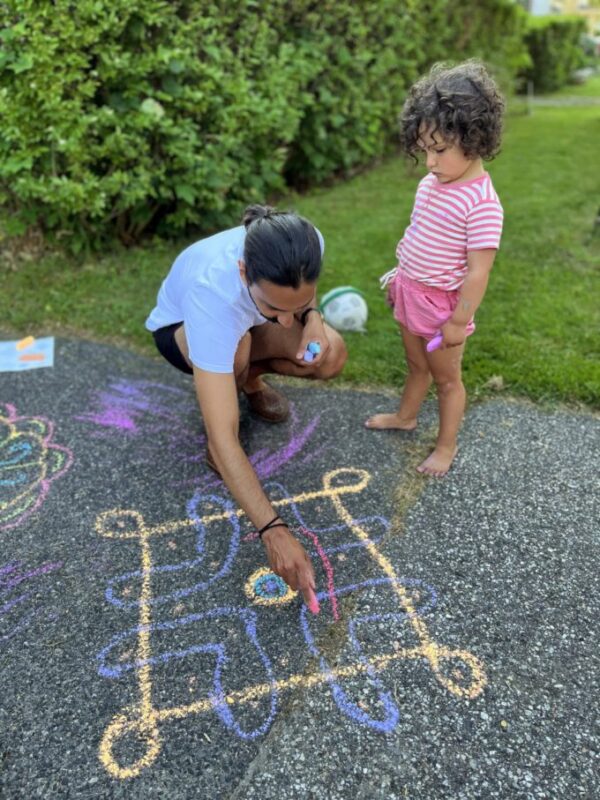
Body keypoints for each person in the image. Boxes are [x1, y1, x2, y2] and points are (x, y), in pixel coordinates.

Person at [146, 205, 347, 604]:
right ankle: (239, 380)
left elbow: (297, 303)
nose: (285, 323)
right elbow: (224, 438)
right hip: (180, 330)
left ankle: (250, 381)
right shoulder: (213, 295)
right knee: (235, 358)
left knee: (332, 353)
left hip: (245, 319)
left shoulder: (307, 243)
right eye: (277, 310)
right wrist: (272, 528)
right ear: (243, 274)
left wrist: (311, 317)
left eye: (292, 307)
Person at [365, 60, 505, 477]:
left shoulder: (482, 204)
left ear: (475, 140)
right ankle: (406, 417)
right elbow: (419, 233)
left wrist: (458, 322)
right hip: (410, 290)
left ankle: (446, 446)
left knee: (446, 381)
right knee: (415, 366)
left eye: (439, 150)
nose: (429, 162)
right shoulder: (431, 183)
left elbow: (478, 273)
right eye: (424, 148)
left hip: (444, 309)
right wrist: (400, 275)